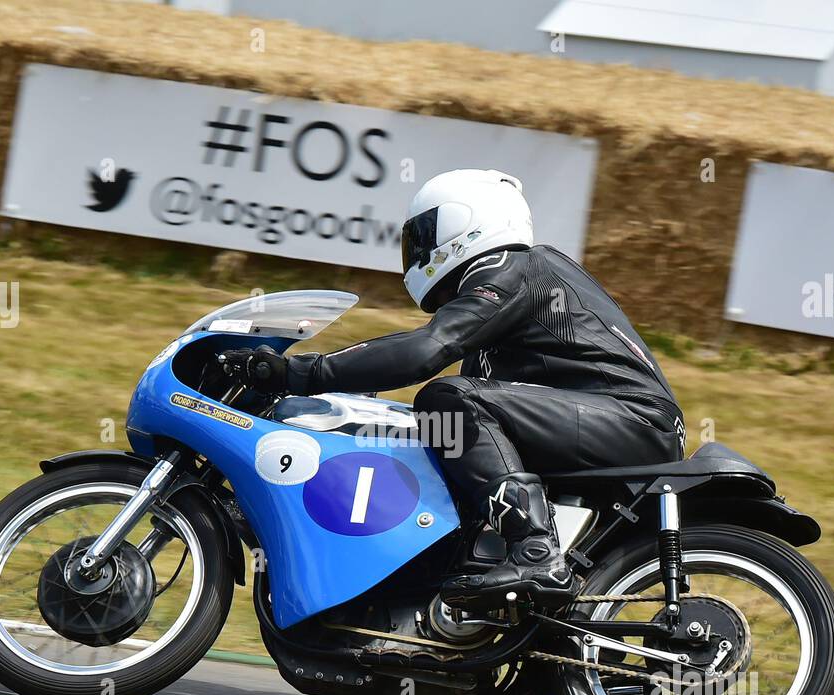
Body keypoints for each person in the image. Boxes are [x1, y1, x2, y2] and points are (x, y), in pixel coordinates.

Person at [224, 168, 684, 610]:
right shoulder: (501, 304)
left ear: (467, 222)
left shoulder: (513, 267)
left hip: (633, 419)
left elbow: (427, 350)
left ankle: (535, 552)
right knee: (433, 424)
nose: (417, 251)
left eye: (425, 235)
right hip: (611, 422)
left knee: (449, 400)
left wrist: (298, 372)